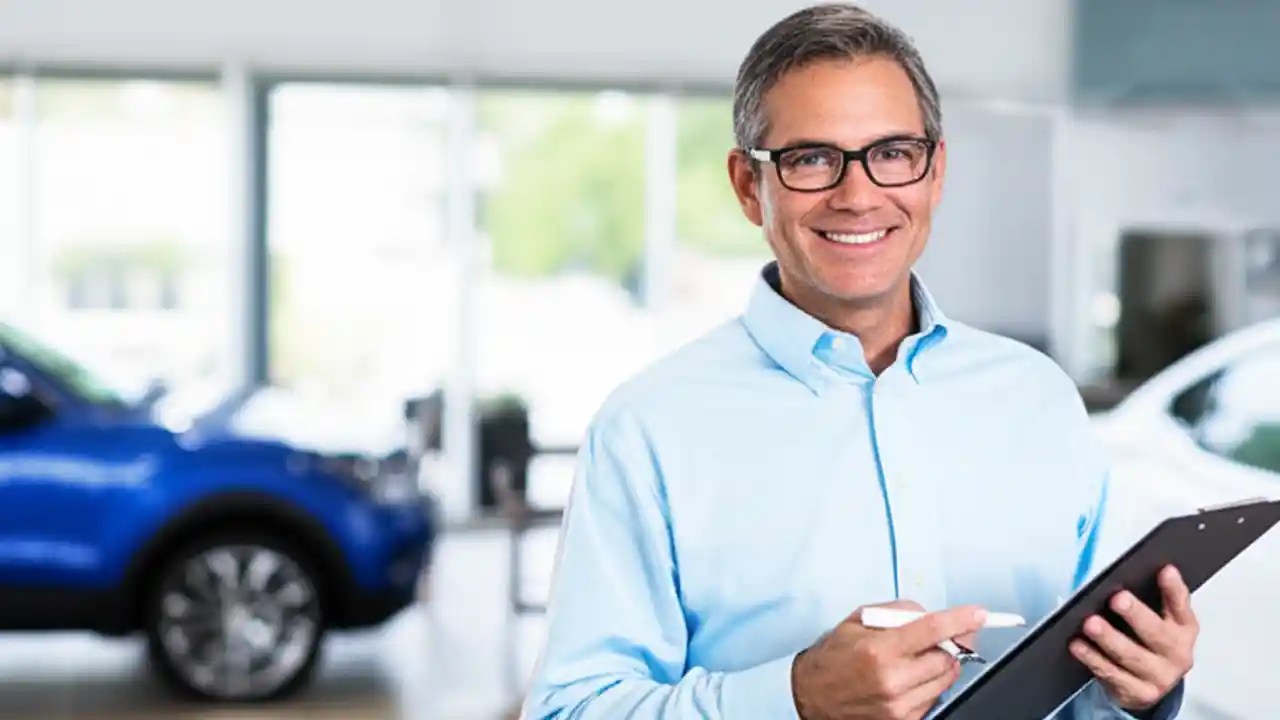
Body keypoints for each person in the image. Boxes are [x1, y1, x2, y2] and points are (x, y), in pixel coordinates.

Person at [521, 4, 1197, 719]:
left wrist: (1140, 693)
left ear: (934, 171)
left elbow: (1085, 690)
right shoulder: (647, 428)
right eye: (811, 159)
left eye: (892, 153)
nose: (858, 195)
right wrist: (793, 699)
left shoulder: (1039, 400)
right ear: (751, 186)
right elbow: (569, 710)